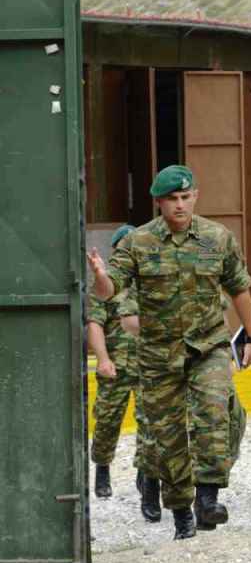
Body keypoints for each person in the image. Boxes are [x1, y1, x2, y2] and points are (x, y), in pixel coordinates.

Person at [86, 165, 251, 540]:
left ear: (195, 195)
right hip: (159, 355)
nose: (180, 205)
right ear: (159, 203)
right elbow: (108, 290)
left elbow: (240, 288)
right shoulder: (139, 243)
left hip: (208, 346)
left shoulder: (217, 237)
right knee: (166, 439)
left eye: (185, 197)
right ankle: (181, 510)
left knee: (215, 410)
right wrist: (101, 276)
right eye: (172, 200)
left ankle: (209, 499)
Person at [86, 224, 161, 523]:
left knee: (150, 426)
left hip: (148, 367)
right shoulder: (105, 288)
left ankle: (146, 479)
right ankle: (102, 467)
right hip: (115, 367)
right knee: (106, 422)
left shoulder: (151, 282)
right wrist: (103, 359)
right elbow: (94, 324)